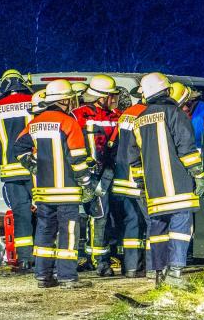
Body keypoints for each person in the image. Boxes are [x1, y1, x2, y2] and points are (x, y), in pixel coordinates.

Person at [11, 80, 95, 289]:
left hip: (43, 190)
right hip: (66, 191)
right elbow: (77, 158)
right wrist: (86, 183)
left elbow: (19, 148)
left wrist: (32, 166)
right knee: (69, 231)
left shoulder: (35, 123)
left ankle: (43, 276)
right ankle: (67, 276)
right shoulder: (68, 123)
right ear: (65, 100)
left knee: (44, 231)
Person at [128, 78, 204, 288]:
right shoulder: (175, 113)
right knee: (180, 227)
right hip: (178, 186)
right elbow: (186, 147)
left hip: (154, 188)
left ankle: (159, 272)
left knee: (158, 230)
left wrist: (141, 183)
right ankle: (175, 272)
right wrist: (197, 173)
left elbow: (134, 158)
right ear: (167, 91)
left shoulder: (139, 120)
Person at [107, 76, 164, 278]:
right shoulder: (147, 115)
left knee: (131, 223)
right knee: (152, 223)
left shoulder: (125, 116)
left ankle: (130, 268)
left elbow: (113, 144)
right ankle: (151, 268)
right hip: (140, 178)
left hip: (122, 179)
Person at [0, 69, 36, 271]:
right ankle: (46, 257)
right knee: (46, 213)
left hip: (11, 171)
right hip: (35, 169)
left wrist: (4, 145)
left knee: (21, 215)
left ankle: (24, 259)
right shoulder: (33, 102)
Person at [72, 74, 122, 276]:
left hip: (110, 174)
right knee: (99, 215)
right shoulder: (78, 115)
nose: (114, 100)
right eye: (111, 96)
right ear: (101, 97)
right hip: (87, 175)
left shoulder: (116, 115)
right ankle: (100, 262)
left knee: (103, 216)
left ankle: (95, 257)